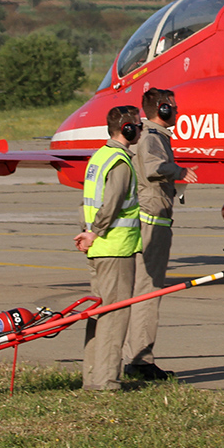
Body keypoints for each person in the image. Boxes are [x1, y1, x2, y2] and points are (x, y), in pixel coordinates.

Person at [124, 86, 194, 380]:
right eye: (173, 107)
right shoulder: (152, 138)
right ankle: (140, 359)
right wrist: (177, 171)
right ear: (162, 109)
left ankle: (135, 356)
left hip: (151, 221)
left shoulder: (150, 136)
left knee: (142, 291)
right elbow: (154, 167)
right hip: (154, 223)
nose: (177, 111)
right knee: (148, 292)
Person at [73, 105, 143, 391]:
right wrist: (94, 232)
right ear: (127, 128)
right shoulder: (120, 163)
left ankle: (93, 378)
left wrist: (86, 232)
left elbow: (86, 202)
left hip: (98, 249)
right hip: (115, 248)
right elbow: (111, 204)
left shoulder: (99, 158)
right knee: (115, 316)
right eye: (138, 125)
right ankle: (106, 382)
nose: (140, 130)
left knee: (99, 314)